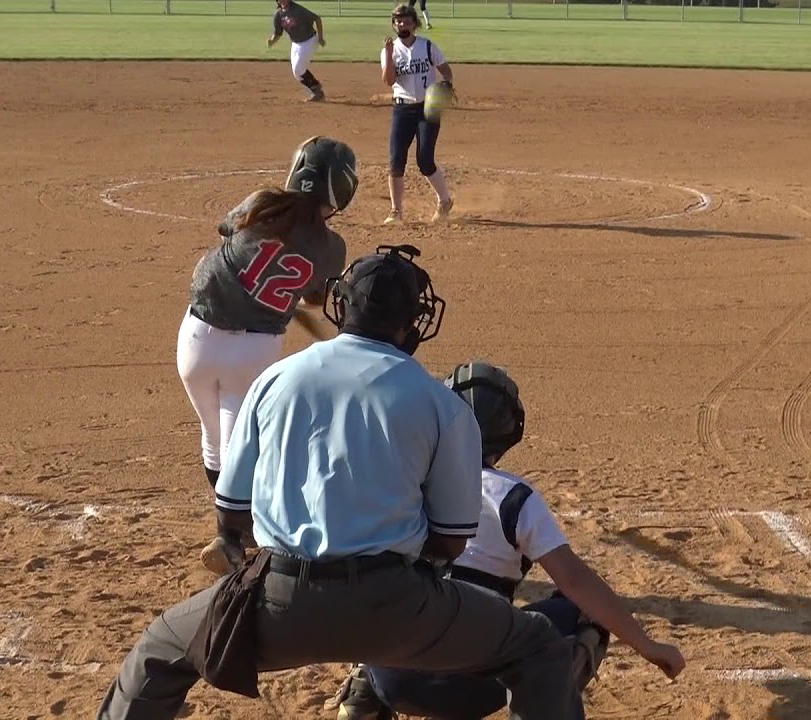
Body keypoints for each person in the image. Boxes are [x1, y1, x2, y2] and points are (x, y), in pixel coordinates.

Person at [96, 245, 585, 720]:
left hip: (281, 600)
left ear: (341, 304)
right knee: (538, 645)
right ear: (413, 322)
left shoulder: (274, 380)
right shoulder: (443, 406)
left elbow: (231, 510)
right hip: (398, 609)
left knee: (158, 653)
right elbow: (451, 540)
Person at [328, 361, 688, 720]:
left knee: (386, 579)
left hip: (394, 680)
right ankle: (544, 707)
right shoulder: (514, 497)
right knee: (581, 610)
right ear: (509, 432)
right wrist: (648, 646)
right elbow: (576, 582)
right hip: (475, 689)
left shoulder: (406, 483)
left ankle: (364, 690)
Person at [176, 135, 353, 572]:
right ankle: (233, 536)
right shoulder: (332, 248)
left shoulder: (261, 204)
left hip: (197, 339)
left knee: (214, 438)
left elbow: (229, 235)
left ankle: (231, 534)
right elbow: (314, 299)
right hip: (254, 351)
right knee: (241, 445)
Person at [380, 4, 454, 225]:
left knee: (425, 159)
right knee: (396, 160)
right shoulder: (389, 49)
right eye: (398, 21)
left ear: (415, 23)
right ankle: (396, 211)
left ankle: (444, 201)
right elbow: (389, 81)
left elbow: (446, 70)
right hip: (402, 108)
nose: (402, 24)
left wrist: (446, 85)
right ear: (394, 24)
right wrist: (390, 55)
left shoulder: (428, 46)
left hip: (427, 109)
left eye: (406, 20)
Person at [268, 0, 327, 102]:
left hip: (309, 40)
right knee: (297, 73)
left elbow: (317, 19)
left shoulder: (297, 10)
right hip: (296, 43)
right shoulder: (279, 15)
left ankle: (317, 91)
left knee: (299, 68)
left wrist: (320, 38)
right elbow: (278, 33)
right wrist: (272, 41)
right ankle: (316, 87)